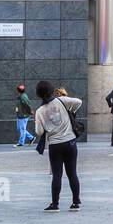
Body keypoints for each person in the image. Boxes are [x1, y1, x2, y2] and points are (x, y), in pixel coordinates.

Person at [34, 80, 82, 212]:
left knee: (57, 175)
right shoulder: (61, 101)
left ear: (39, 94)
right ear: (51, 90)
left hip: (55, 145)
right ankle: (75, 202)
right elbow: (78, 102)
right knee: (72, 173)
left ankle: (55, 204)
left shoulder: (40, 111)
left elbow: (39, 132)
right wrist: (71, 111)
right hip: (70, 142)